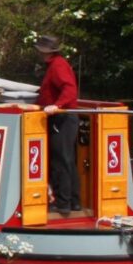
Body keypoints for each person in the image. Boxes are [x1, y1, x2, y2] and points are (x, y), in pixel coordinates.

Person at [31, 34, 82, 213]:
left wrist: (56, 105)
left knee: (61, 159)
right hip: (66, 117)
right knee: (67, 159)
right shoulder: (55, 65)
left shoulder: (58, 66)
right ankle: (74, 201)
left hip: (63, 117)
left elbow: (69, 89)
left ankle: (63, 203)